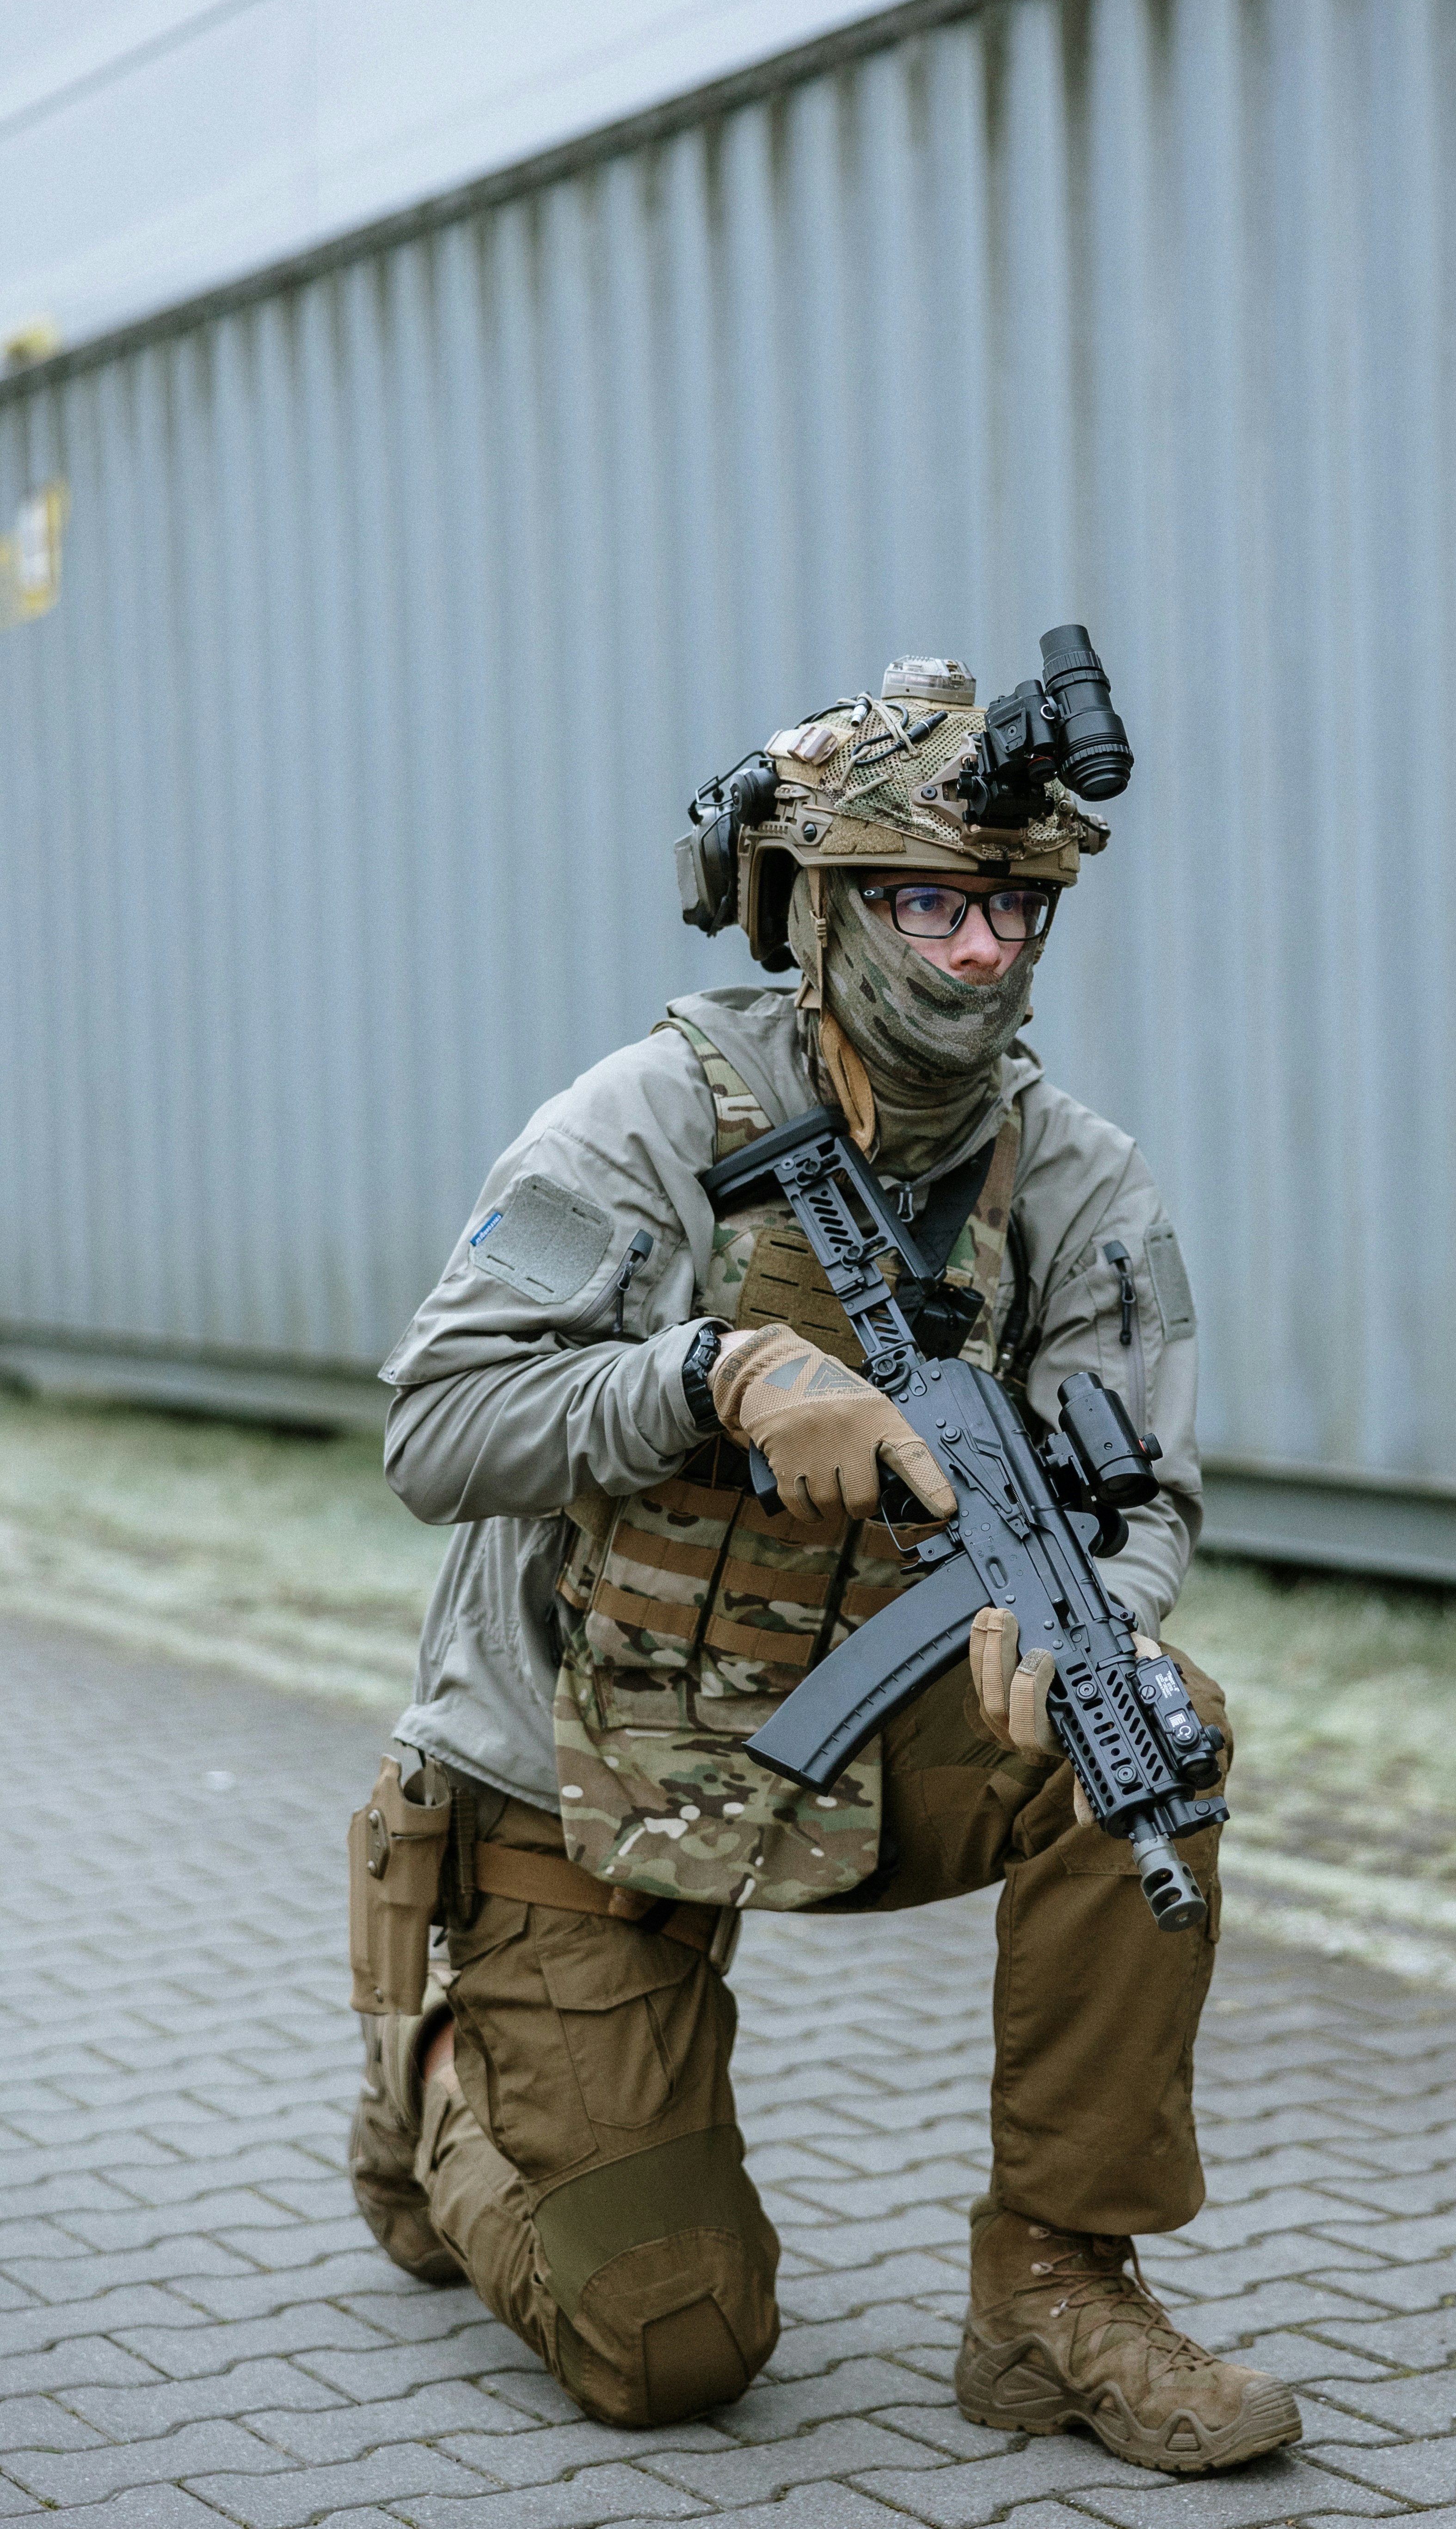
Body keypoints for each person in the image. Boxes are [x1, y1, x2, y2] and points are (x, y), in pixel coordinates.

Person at [349, 650, 1301, 2474]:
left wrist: (1090, 1627)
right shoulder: (645, 1119)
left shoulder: (1080, 1181)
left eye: (1015, 908)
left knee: (1154, 1731)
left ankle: (1055, 2289)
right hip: (577, 1761)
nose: (981, 951)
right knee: (672, 2346)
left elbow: (1145, 1497)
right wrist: (710, 1375)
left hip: (862, 1729)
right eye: (929, 904)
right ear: (816, 905)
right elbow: (435, 1432)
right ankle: (442, 2086)